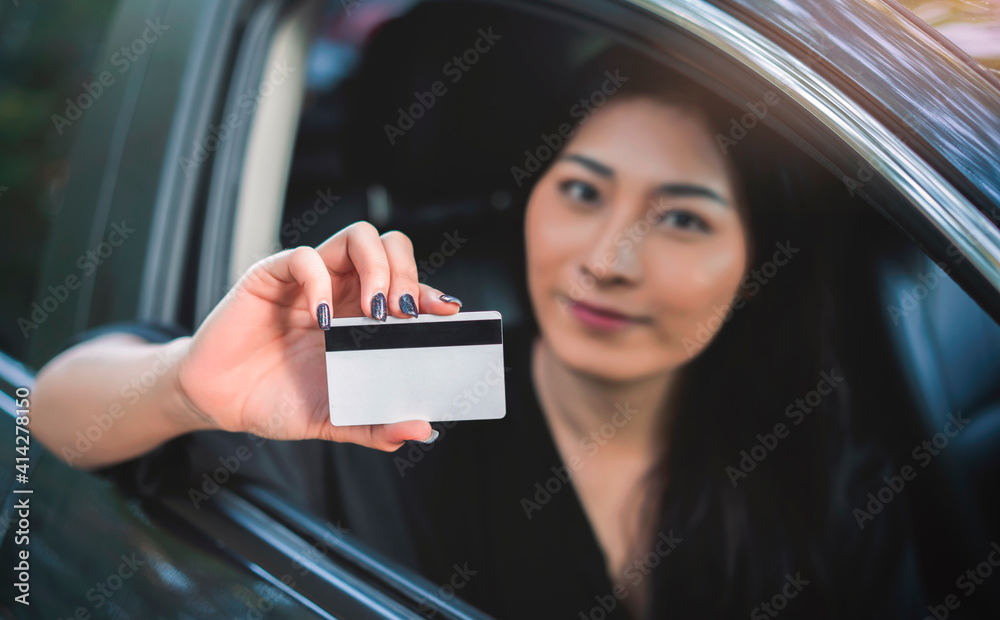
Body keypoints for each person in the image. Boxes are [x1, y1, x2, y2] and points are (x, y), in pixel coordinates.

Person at [31, 46, 920, 619]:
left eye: (681, 220)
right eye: (581, 190)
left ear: (763, 263)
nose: (607, 258)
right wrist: (185, 380)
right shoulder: (407, 394)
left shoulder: (819, 469)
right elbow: (50, 413)